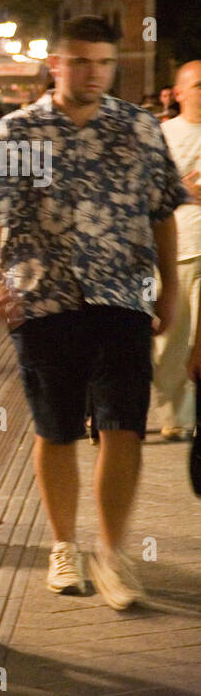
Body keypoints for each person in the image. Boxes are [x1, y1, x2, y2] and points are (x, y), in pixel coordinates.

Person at [0, 15, 188, 610]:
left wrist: (170, 286)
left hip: (123, 296)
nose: (93, 72)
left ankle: (113, 552)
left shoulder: (138, 128)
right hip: (46, 298)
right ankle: (64, 545)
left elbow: (162, 210)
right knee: (57, 428)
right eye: (81, 60)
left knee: (124, 426)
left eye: (103, 62)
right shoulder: (18, 132)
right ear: (56, 63)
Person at [156, 61, 201, 439]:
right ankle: (176, 414)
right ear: (180, 92)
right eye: (199, 85)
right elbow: (149, 192)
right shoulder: (163, 134)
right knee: (174, 337)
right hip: (178, 248)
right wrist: (185, 192)